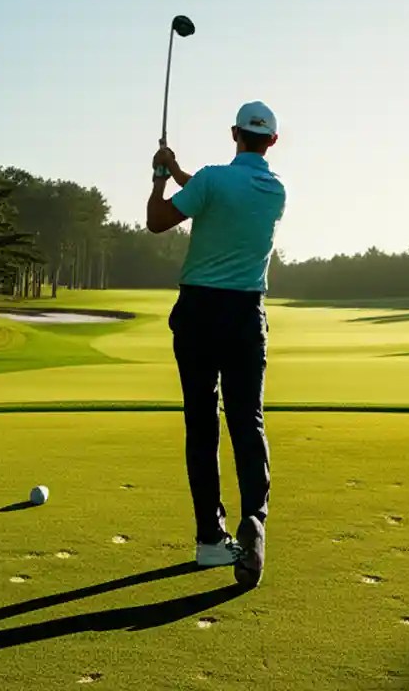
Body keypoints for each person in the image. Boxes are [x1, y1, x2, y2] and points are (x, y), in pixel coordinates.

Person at [146, 100, 285, 588]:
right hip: (247, 316)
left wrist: (162, 176)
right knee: (247, 420)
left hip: (200, 312)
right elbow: (213, 193)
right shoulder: (274, 190)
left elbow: (159, 220)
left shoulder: (211, 180)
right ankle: (256, 519)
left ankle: (210, 539)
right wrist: (182, 170)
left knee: (202, 423)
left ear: (234, 134)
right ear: (271, 142)